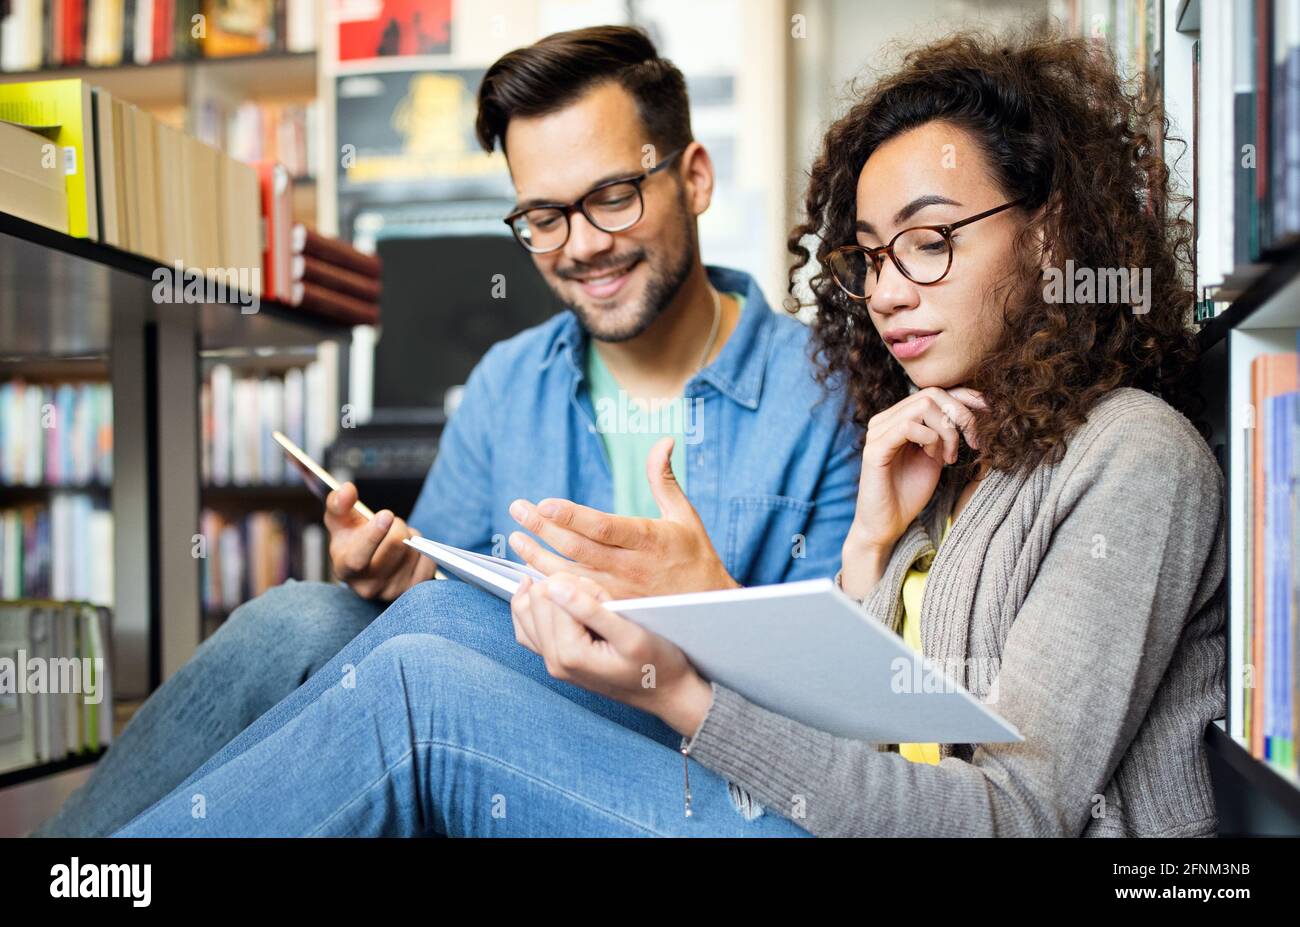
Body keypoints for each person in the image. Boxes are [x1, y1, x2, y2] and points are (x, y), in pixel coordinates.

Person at [114, 26, 1226, 838]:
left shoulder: (1128, 455)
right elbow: (868, 729)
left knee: (418, 688)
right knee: (319, 621)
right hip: (793, 783)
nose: (890, 291)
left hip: (765, 780)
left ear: (1051, 237)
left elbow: (1000, 811)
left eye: (929, 241)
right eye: (871, 257)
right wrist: (867, 551)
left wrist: (684, 662)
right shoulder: (937, 452)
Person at [34, 26, 861, 837]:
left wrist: (708, 604)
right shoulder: (508, 379)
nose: (582, 246)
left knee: (414, 672)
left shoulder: (824, 388)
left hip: (694, 754)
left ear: (695, 178)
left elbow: (835, 711)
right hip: (513, 701)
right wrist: (395, 569)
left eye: (613, 196)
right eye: (543, 216)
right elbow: (433, 600)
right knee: (298, 621)